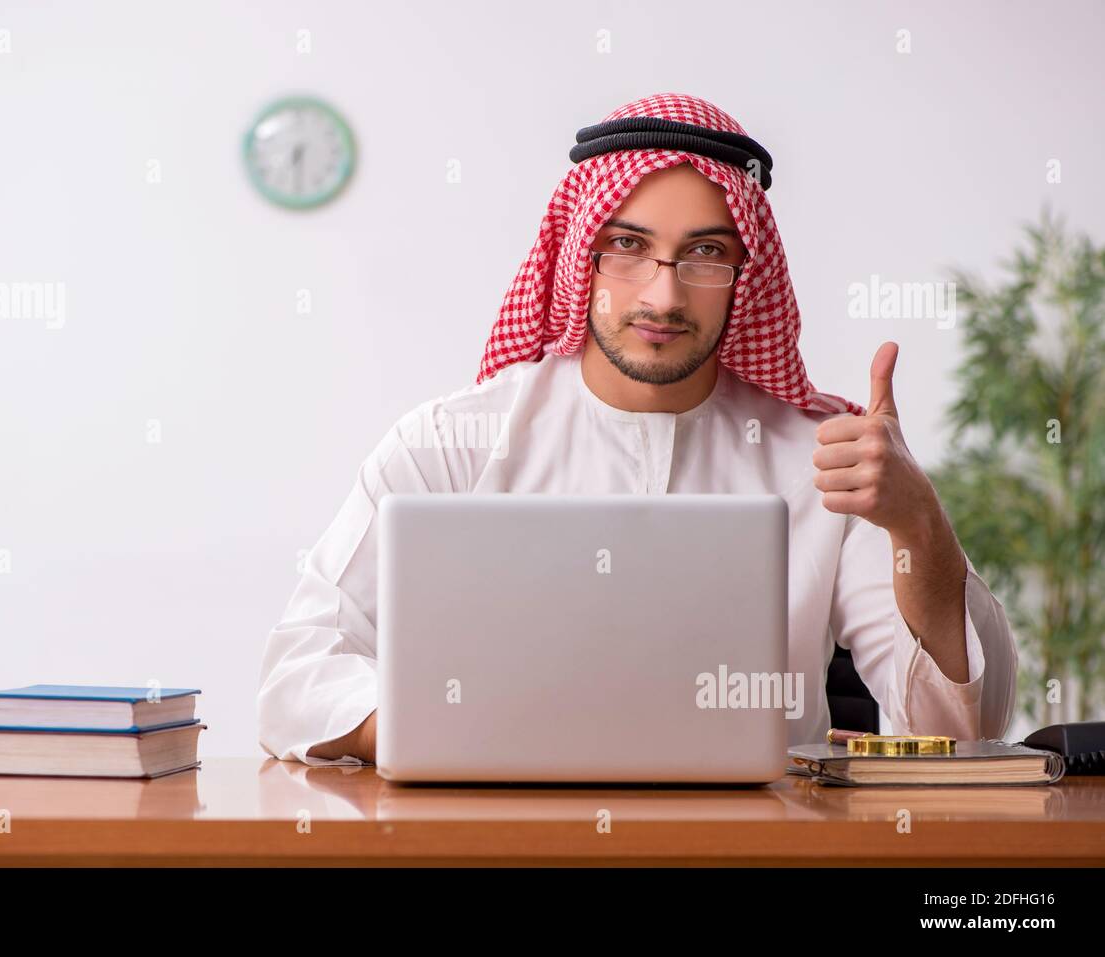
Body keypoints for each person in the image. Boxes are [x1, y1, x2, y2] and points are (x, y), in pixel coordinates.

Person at [256, 92, 1018, 766]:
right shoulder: (447, 446)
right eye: (627, 246)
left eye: (706, 253)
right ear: (580, 255)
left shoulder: (826, 461)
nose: (664, 291)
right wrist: (442, 734)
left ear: (745, 273)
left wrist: (920, 524)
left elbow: (962, 730)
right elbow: (297, 673)